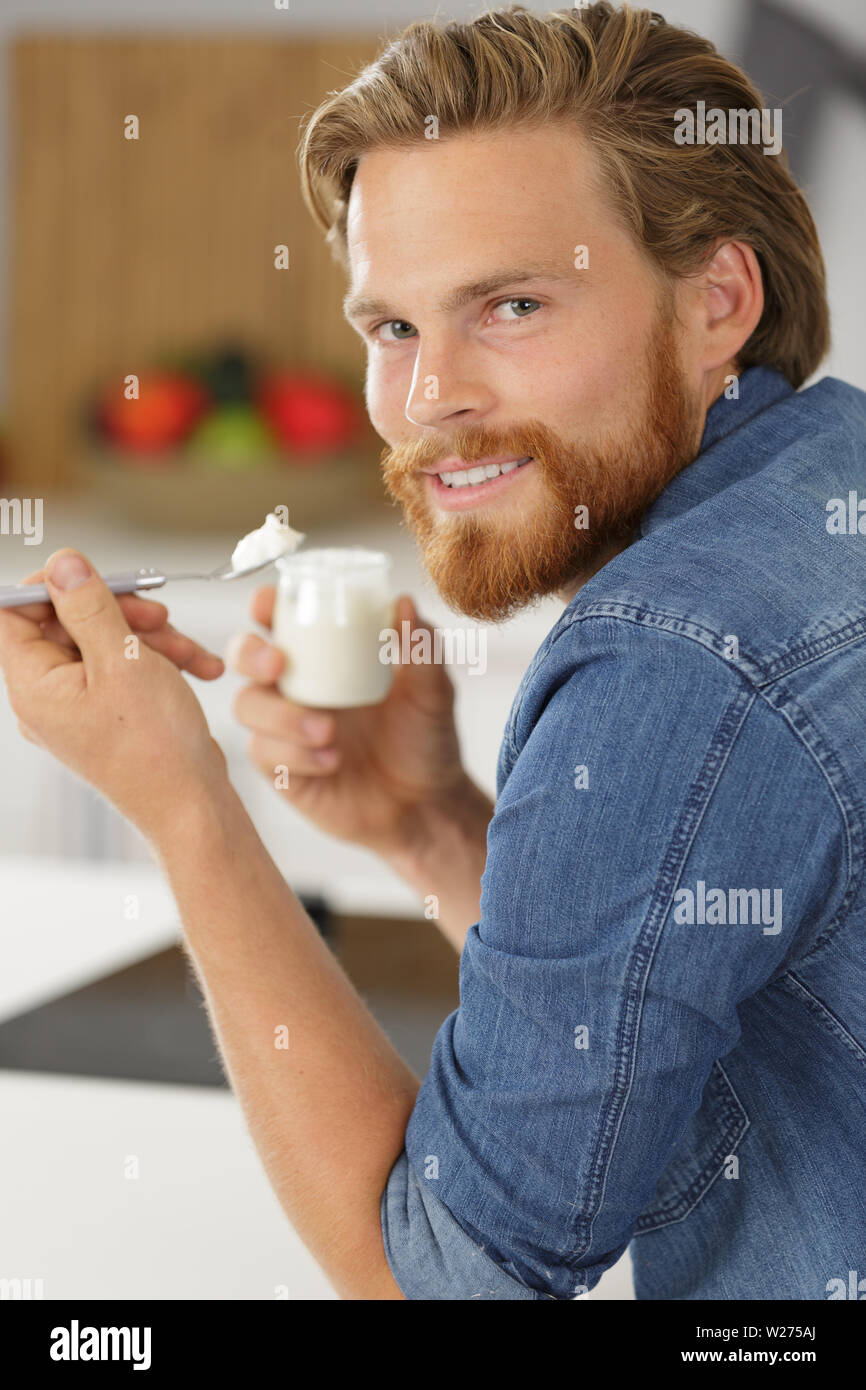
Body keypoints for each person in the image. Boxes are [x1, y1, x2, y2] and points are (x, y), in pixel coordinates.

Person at [2, 3, 864, 1300]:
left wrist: (185, 805)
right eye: (390, 328)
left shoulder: (670, 660)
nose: (424, 400)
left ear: (716, 302)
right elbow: (672, 1025)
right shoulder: (829, 479)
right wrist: (432, 828)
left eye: (510, 304)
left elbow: (450, 1279)